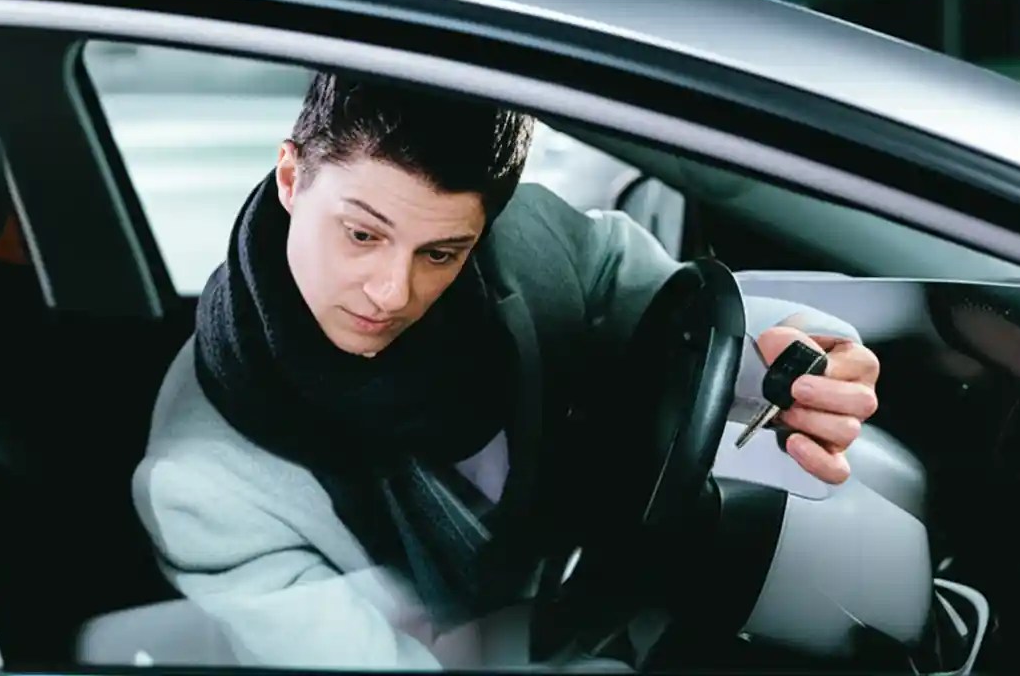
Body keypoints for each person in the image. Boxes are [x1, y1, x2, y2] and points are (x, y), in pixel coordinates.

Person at [131, 72, 881, 670]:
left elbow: (676, 318)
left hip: (576, 600)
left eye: (439, 254)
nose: (392, 293)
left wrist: (798, 363)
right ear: (292, 177)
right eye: (361, 234)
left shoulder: (525, 244)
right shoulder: (203, 489)